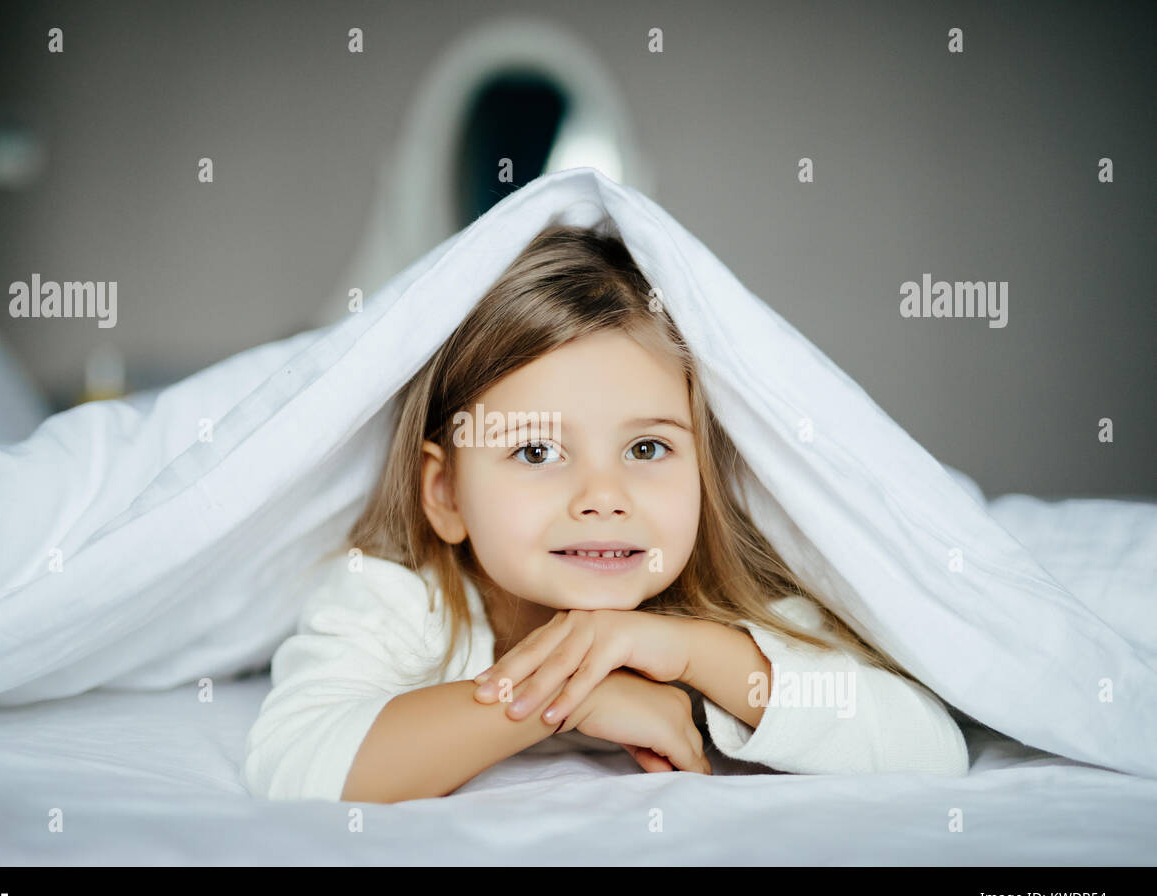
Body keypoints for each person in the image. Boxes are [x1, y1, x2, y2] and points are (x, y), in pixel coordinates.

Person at [242, 221, 969, 803]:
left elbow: (928, 748)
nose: (603, 497)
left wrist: (686, 654)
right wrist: (570, 694)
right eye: (535, 453)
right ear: (445, 494)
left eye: (648, 449)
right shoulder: (398, 598)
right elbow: (298, 765)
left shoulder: (725, 608)